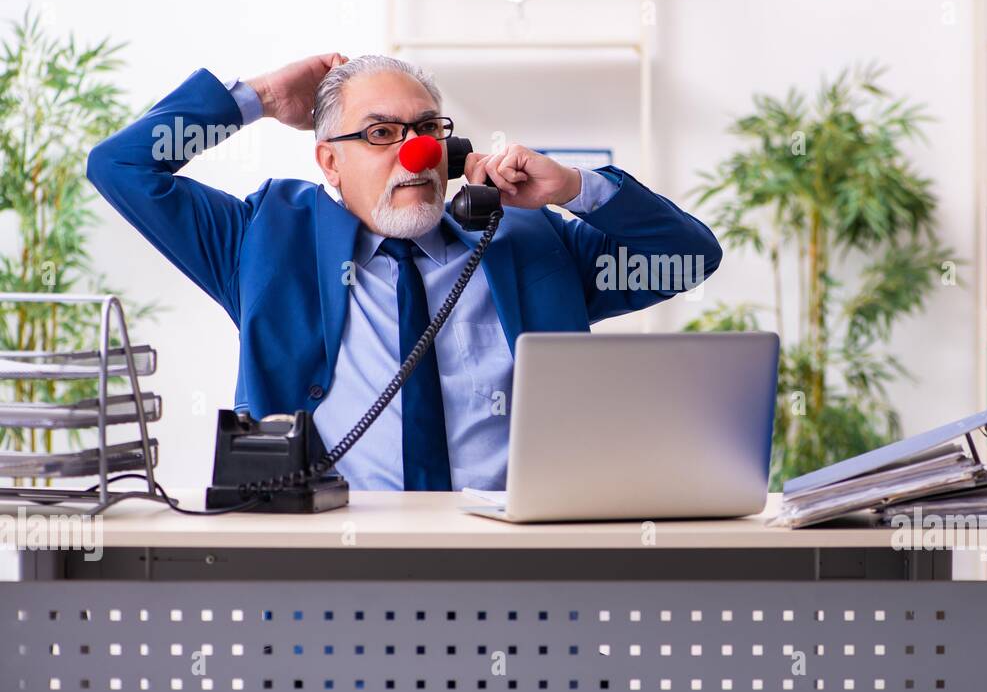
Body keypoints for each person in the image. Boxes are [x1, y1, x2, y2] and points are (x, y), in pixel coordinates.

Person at [87, 53, 722, 491]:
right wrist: (260, 98)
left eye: (426, 130)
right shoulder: (267, 238)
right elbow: (122, 168)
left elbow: (690, 256)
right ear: (330, 165)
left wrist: (576, 188)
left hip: (522, 558)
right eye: (381, 132)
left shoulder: (530, 241)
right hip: (332, 565)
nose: (412, 152)